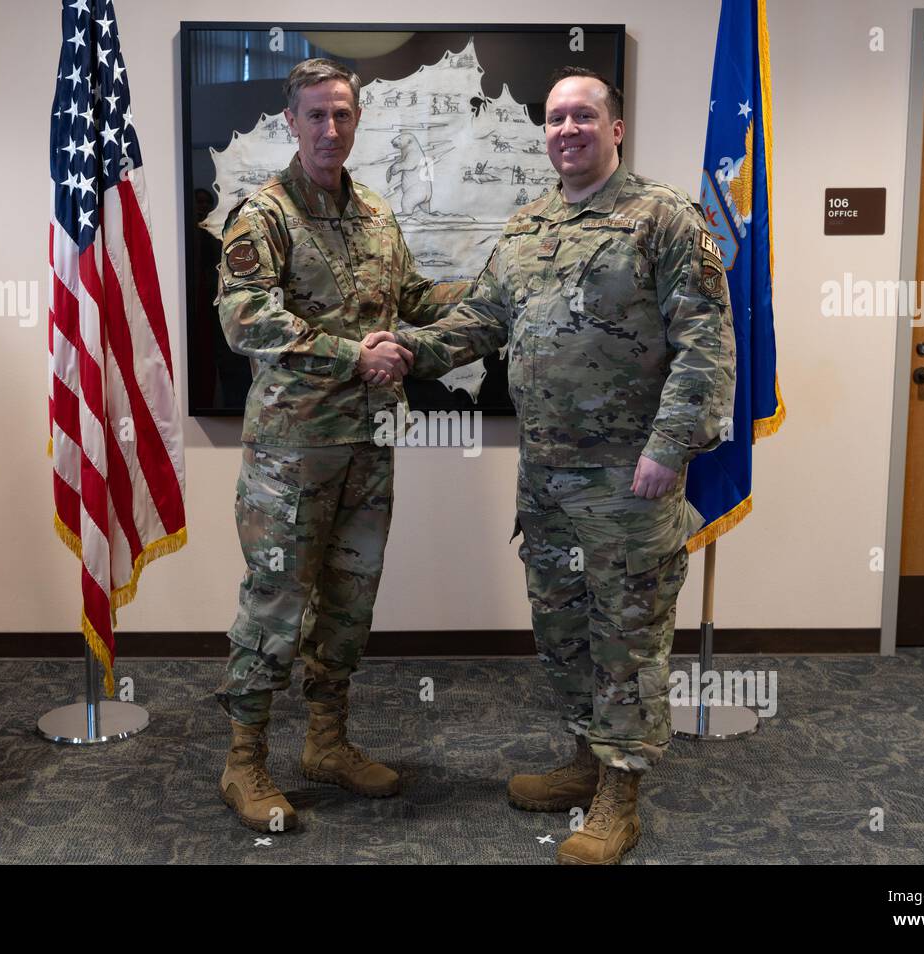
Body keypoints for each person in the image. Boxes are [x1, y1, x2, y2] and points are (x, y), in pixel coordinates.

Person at [371, 68, 736, 864]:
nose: (566, 129)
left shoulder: (664, 218)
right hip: (546, 479)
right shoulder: (530, 224)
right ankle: (583, 758)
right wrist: (406, 351)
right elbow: (482, 321)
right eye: (555, 118)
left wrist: (668, 451)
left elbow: (705, 346)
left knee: (628, 637)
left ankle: (622, 793)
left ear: (616, 129)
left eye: (584, 116)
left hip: (629, 480)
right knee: (565, 629)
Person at [214, 58, 467, 832]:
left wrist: (497, 286)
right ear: (289, 121)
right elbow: (246, 319)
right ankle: (245, 761)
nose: (331, 129)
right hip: (293, 458)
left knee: (349, 610)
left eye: (343, 115)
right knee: (274, 610)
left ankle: (327, 743)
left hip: (368, 449)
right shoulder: (261, 216)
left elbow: (412, 298)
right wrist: (352, 354)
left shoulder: (377, 215)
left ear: (358, 122)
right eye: (316, 115)